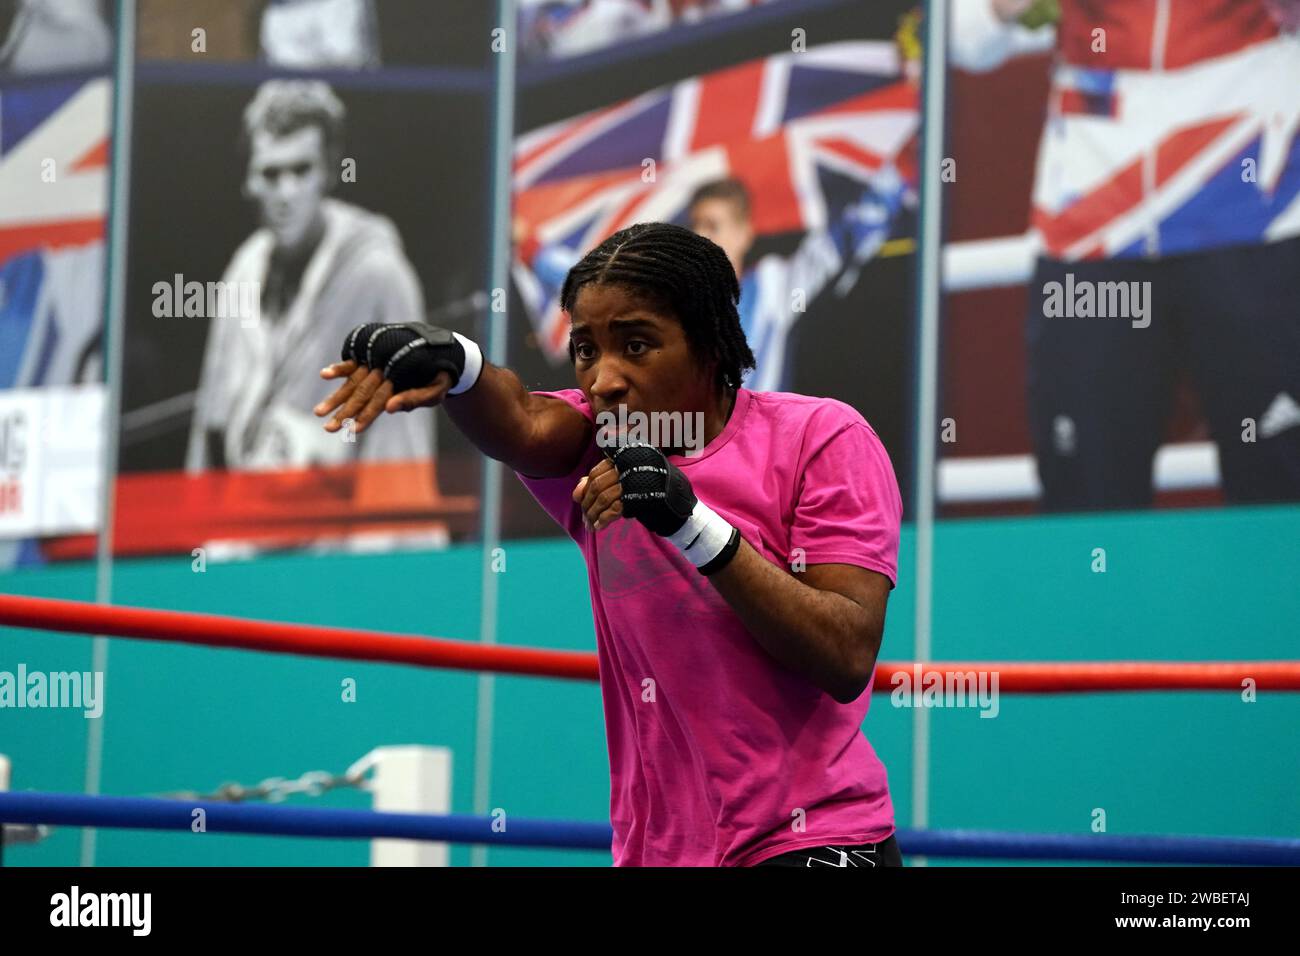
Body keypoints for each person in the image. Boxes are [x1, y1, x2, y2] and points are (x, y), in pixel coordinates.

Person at [314, 222, 904, 867]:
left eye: (637, 345)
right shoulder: (597, 439)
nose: (605, 380)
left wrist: (690, 522)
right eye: (587, 349)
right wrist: (458, 362)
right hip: (657, 853)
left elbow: (846, 653)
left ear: (709, 344)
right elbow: (523, 420)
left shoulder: (820, 437)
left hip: (809, 840)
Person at [951, 0, 1300, 508]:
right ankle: (1096, 586)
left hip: (1255, 206)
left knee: (1279, 485)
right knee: (1085, 492)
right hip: (1094, 226)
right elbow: (963, 36)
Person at [186, 80, 433, 475]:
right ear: (249, 180)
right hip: (244, 523)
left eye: (302, 170)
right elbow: (211, 428)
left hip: (336, 529)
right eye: (271, 174)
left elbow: (401, 451)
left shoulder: (378, 275)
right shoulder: (242, 272)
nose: (287, 192)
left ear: (329, 171)